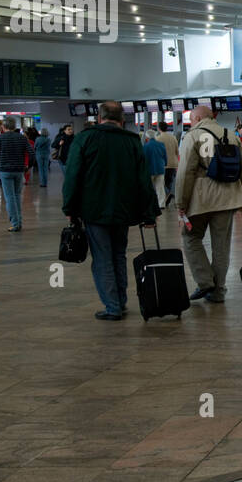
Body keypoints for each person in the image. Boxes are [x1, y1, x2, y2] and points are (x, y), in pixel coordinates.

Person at [62, 102, 161, 320]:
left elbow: (72, 176)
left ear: (99, 118)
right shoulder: (132, 141)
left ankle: (112, 306)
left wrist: (69, 207)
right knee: (118, 255)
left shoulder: (84, 139)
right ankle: (121, 301)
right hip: (123, 210)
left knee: (102, 257)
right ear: (122, 120)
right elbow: (143, 180)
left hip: (94, 210)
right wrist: (149, 213)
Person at [176, 104, 242, 304]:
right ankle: (218, 291)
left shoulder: (193, 135)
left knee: (190, 237)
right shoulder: (231, 135)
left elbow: (185, 173)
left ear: (198, 118)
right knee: (221, 246)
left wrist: (180, 203)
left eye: (191, 119)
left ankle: (205, 280)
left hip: (199, 199)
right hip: (228, 198)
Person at [0, 117, 31, 232]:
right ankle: (19, 221)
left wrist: (0, 163)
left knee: (10, 198)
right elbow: (31, 152)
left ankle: (15, 223)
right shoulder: (22, 138)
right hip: (19, 170)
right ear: (14, 126)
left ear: (4, 127)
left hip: (5, 171)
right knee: (17, 196)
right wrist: (28, 166)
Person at [155, 123, 179, 205]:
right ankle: (167, 195)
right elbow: (177, 152)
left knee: (161, 184)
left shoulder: (158, 139)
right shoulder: (173, 138)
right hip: (173, 164)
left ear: (158, 129)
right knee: (169, 182)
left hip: (162, 164)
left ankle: (164, 198)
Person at [143, 131, 167, 208]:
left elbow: (144, 159)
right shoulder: (161, 145)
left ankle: (149, 204)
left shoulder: (145, 146)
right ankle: (161, 204)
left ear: (147, 138)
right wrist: (165, 164)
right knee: (160, 188)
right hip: (160, 169)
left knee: (149, 188)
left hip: (149, 170)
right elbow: (165, 157)